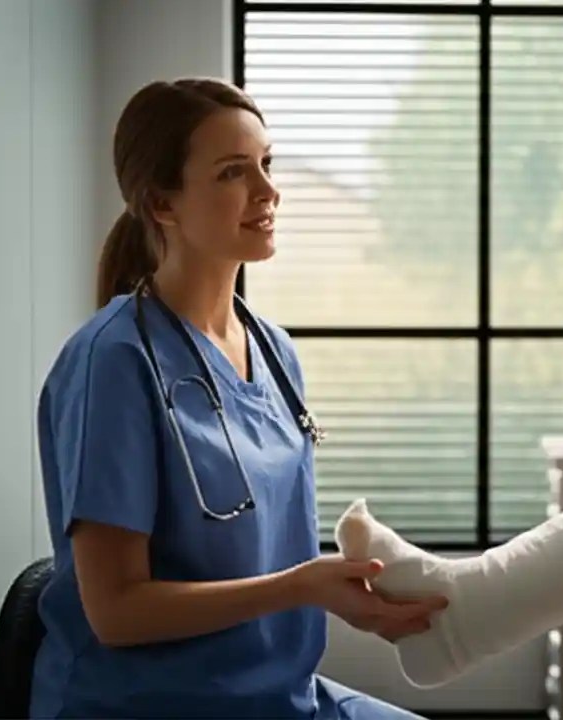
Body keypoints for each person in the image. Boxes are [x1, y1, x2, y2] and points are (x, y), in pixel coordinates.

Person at [30, 78, 447, 719]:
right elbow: (114, 613)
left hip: (281, 698)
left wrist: (350, 591)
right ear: (162, 204)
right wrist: (304, 586)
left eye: (266, 165)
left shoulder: (273, 351)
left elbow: (275, 554)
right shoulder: (113, 362)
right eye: (232, 173)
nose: (268, 191)